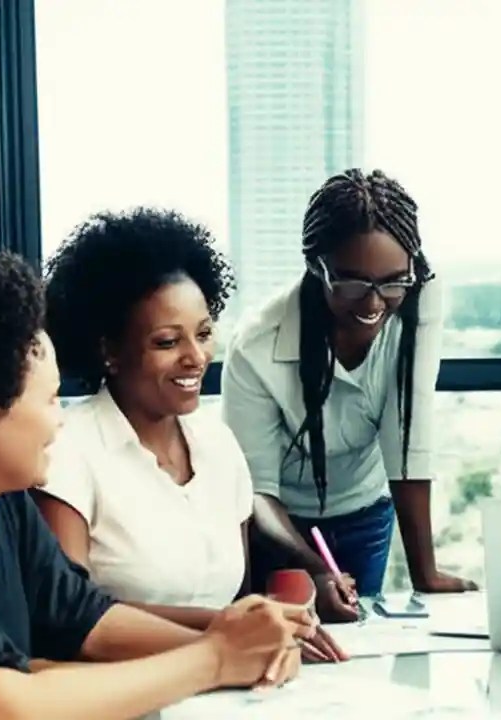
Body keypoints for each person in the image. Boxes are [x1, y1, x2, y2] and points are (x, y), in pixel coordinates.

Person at [0, 249, 314, 719]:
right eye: (52, 400)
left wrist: (239, 645)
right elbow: (0, 706)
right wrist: (214, 659)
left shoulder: (1, 504)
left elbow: (82, 617)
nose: (59, 423)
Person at [34, 208, 345, 662]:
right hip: (121, 689)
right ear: (109, 351)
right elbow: (66, 618)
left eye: (203, 334)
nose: (196, 357)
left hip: (229, 687)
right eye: (167, 342)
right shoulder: (66, 450)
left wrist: (283, 610)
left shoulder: (218, 445)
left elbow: (236, 599)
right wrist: (225, 631)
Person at [222, 169, 475, 622]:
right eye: (353, 284)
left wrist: (426, 574)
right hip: (281, 527)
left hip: (365, 510)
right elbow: (256, 491)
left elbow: (408, 431)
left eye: (392, 282)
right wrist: (316, 569)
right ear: (317, 266)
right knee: (289, 643)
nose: (374, 303)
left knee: (359, 646)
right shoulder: (256, 345)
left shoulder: (421, 297)